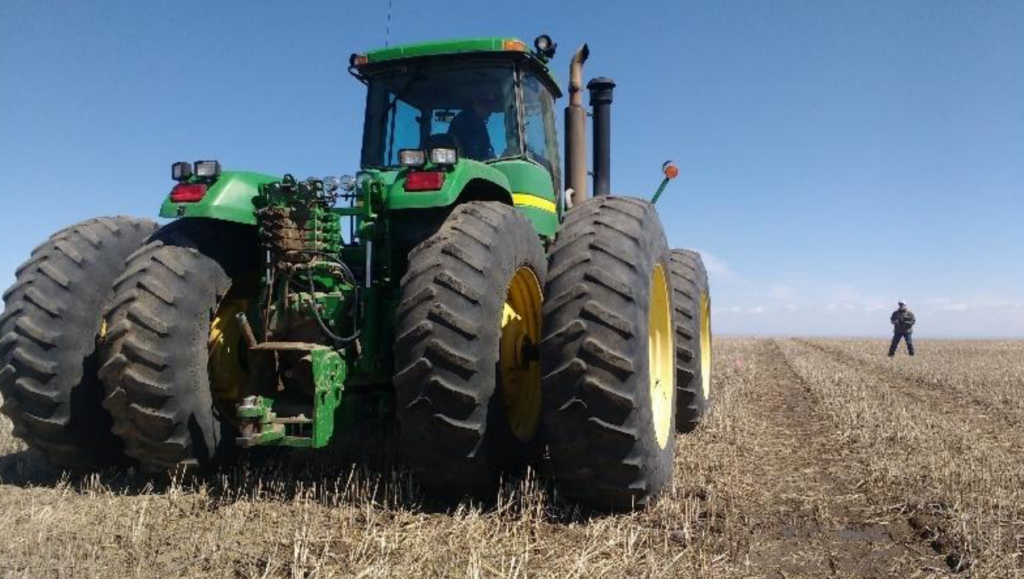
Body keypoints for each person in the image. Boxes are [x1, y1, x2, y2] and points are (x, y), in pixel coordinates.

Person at [448, 91, 498, 161]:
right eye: (488, 105)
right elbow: (475, 152)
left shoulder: (477, 121)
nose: (490, 111)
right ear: (478, 104)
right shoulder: (467, 120)